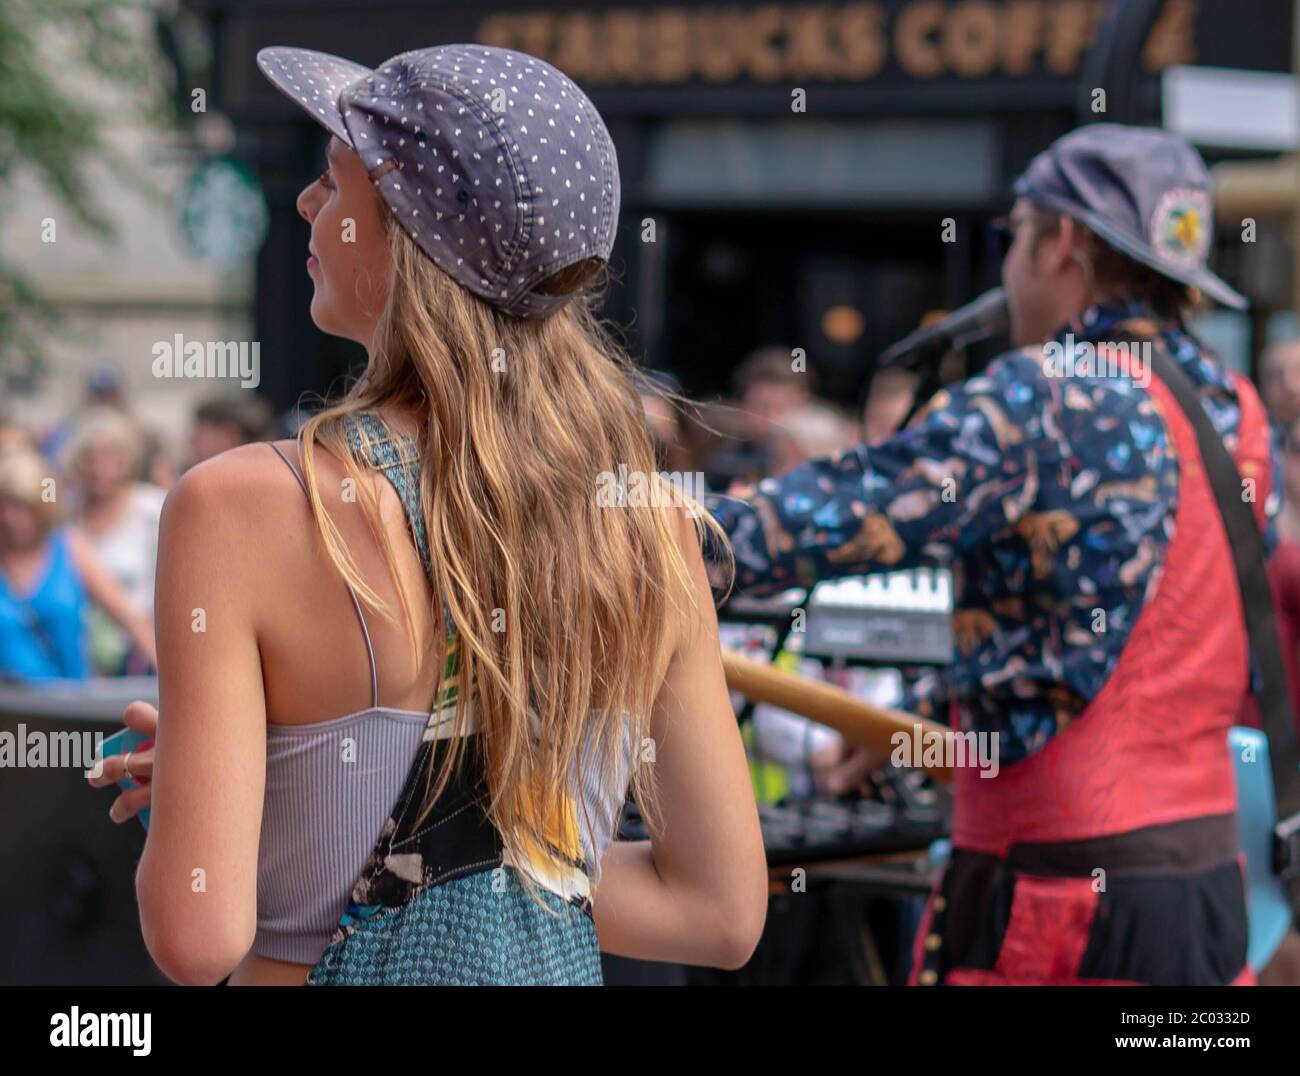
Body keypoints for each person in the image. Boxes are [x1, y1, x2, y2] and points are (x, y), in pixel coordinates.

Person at [89, 43, 766, 987]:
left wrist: (223, 813)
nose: (306, 205)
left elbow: (196, 939)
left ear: (406, 234)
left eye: (333, 180)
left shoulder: (237, 506)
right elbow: (719, 914)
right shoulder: (643, 527)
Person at [705, 123, 1279, 986]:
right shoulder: (1237, 409)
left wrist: (627, 534)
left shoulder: (1048, 394)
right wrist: (939, 720)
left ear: (1065, 243)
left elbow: (812, 522)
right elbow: (1126, 626)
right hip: (1201, 891)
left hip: (1059, 896)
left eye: (1015, 234)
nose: (1006, 265)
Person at [0, 444, 157, 681]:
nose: (13, 518)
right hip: (11, 709)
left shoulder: (69, 547)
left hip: (70, 704)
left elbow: (131, 619)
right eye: (7, 505)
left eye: (25, 507)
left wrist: (172, 681)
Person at [61, 407, 166, 675]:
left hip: (143, 655)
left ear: (127, 459)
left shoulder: (154, 509)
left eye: (110, 456)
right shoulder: (65, 519)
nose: (100, 467)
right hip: (82, 658)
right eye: (91, 457)